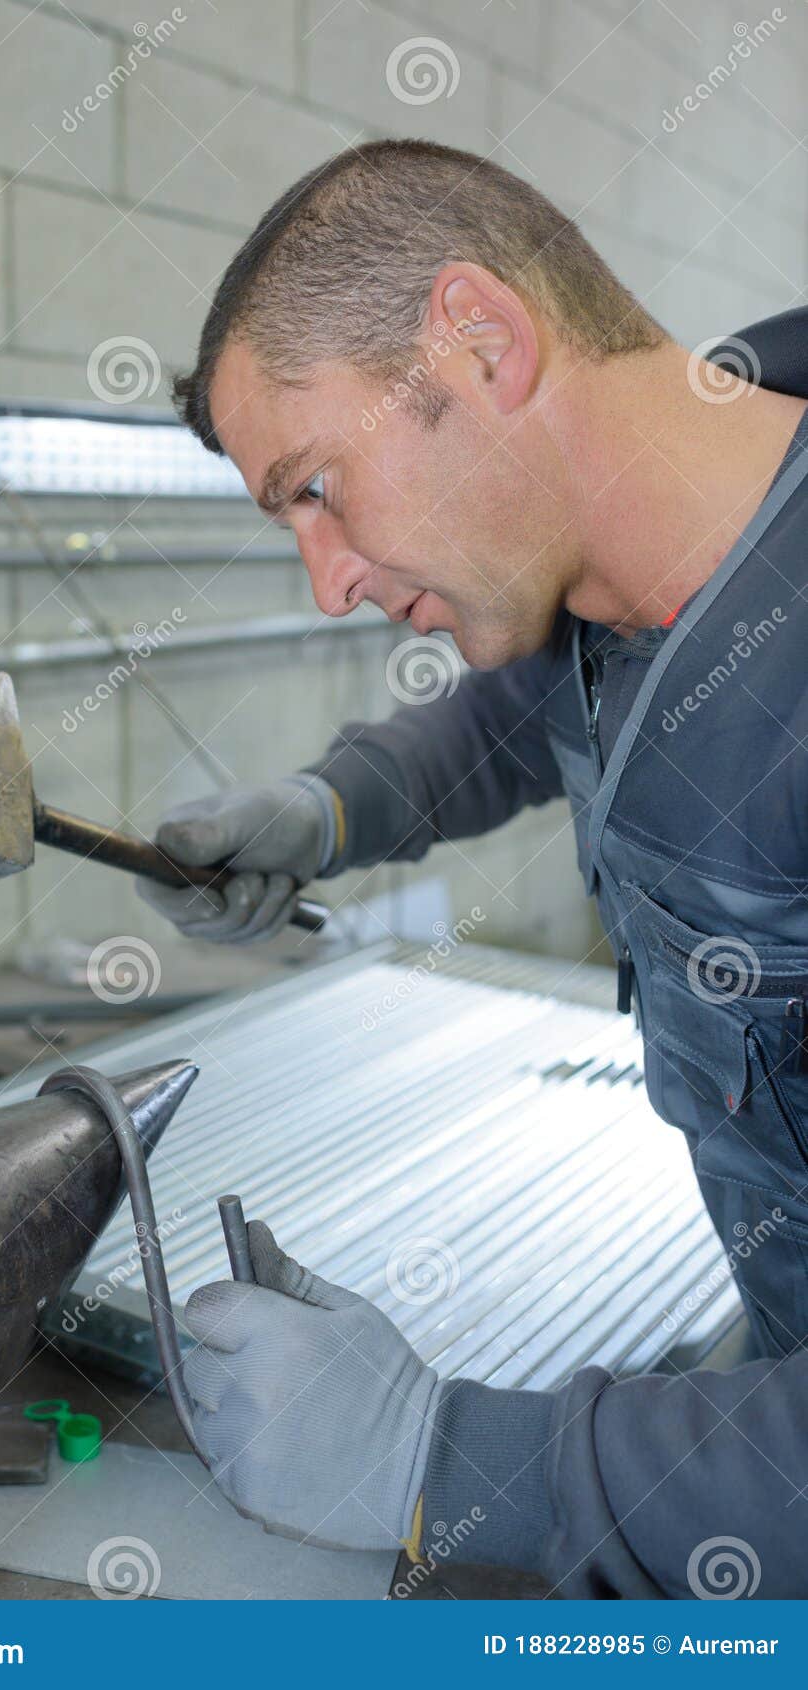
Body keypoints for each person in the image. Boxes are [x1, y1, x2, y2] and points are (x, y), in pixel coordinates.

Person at [138, 140, 808, 1597]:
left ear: (483, 341)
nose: (330, 581)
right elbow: (556, 697)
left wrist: (445, 1461)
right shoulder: (648, 525)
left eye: (317, 487)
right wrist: (333, 807)